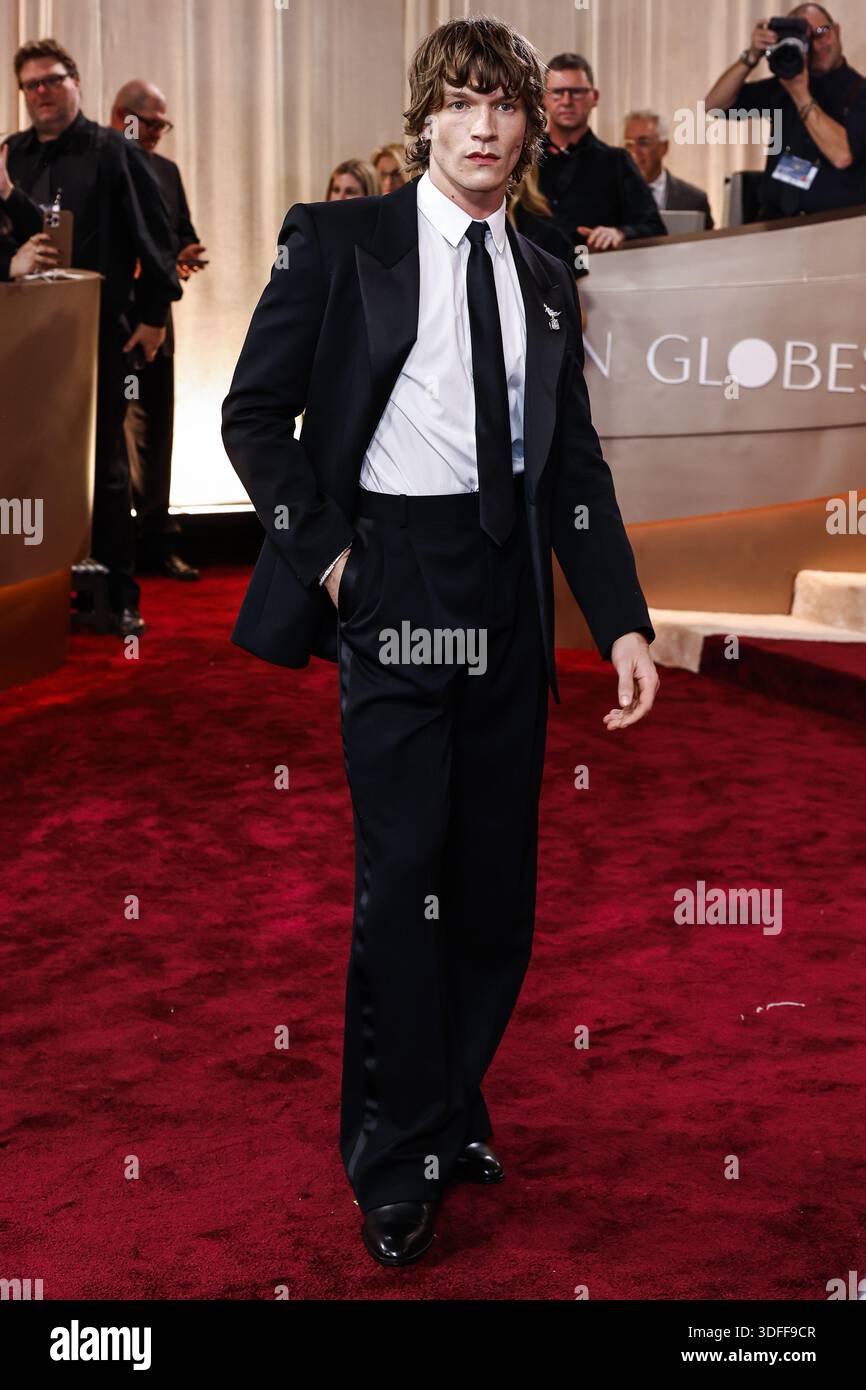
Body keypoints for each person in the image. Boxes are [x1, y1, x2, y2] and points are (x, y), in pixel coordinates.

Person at [221, 14, 658, 1268]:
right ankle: (396, 1154)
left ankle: (447, 1091)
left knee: (492, 895)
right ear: (426, 117)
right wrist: (336, 554)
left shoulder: (538, 266)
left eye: (504, 105)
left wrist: (618, 616)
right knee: (403, 883)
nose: (482, 125)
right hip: (393, 583)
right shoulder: (342, 238)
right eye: (460, 102)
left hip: (507, 594)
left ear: (528, 123)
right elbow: (253, 416)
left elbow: (569, 462)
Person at [1, 38, 181, 636]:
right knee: (32, 468)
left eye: (52, 80)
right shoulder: (11, 156)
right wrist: (10, 262)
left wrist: (155, 316)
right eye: (31, 85)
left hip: (103, 336)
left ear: (75, 82)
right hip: (25, 341)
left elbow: (154, 235)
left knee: (104, 465)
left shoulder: (114, 149)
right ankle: (40, 594)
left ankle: (118, 596)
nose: (42, 92)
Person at [110, 79, 205, 583]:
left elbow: (181, 235)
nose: (158, 134)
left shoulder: (166, 172)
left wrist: (184, 255)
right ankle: (110, 547)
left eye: (164, 125)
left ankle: (156, 541)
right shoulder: (103, 163)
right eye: (151, 123)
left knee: (160, 430)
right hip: (107, 320)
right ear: (121, 115)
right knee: (105, 440)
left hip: (155, 322)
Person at [705, 4, 866, 220]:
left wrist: (800, 95)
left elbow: (842, 156)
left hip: (835, 228)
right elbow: (715, 106)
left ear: (837, 30)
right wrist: (751, 57)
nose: (818, 46)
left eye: (822, 33)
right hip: (775, 224)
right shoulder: (783, 87)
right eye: (808, 40)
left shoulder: (859, 91)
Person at [538, 52, 667, 251]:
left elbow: (655, 228)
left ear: (594, 97)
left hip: (595, 276)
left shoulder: (617, 161)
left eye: (576, 92)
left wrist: (619, 233)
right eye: (557, 92)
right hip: (527, 276)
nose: (566, 100)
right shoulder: (524, 159)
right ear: (544, 97)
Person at [623, 109, 715, 229]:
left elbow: (710, 245)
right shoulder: (611, 196)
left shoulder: (694, 200)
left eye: (643, 143)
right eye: (629, 145)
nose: (634, 152)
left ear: (664, 147)